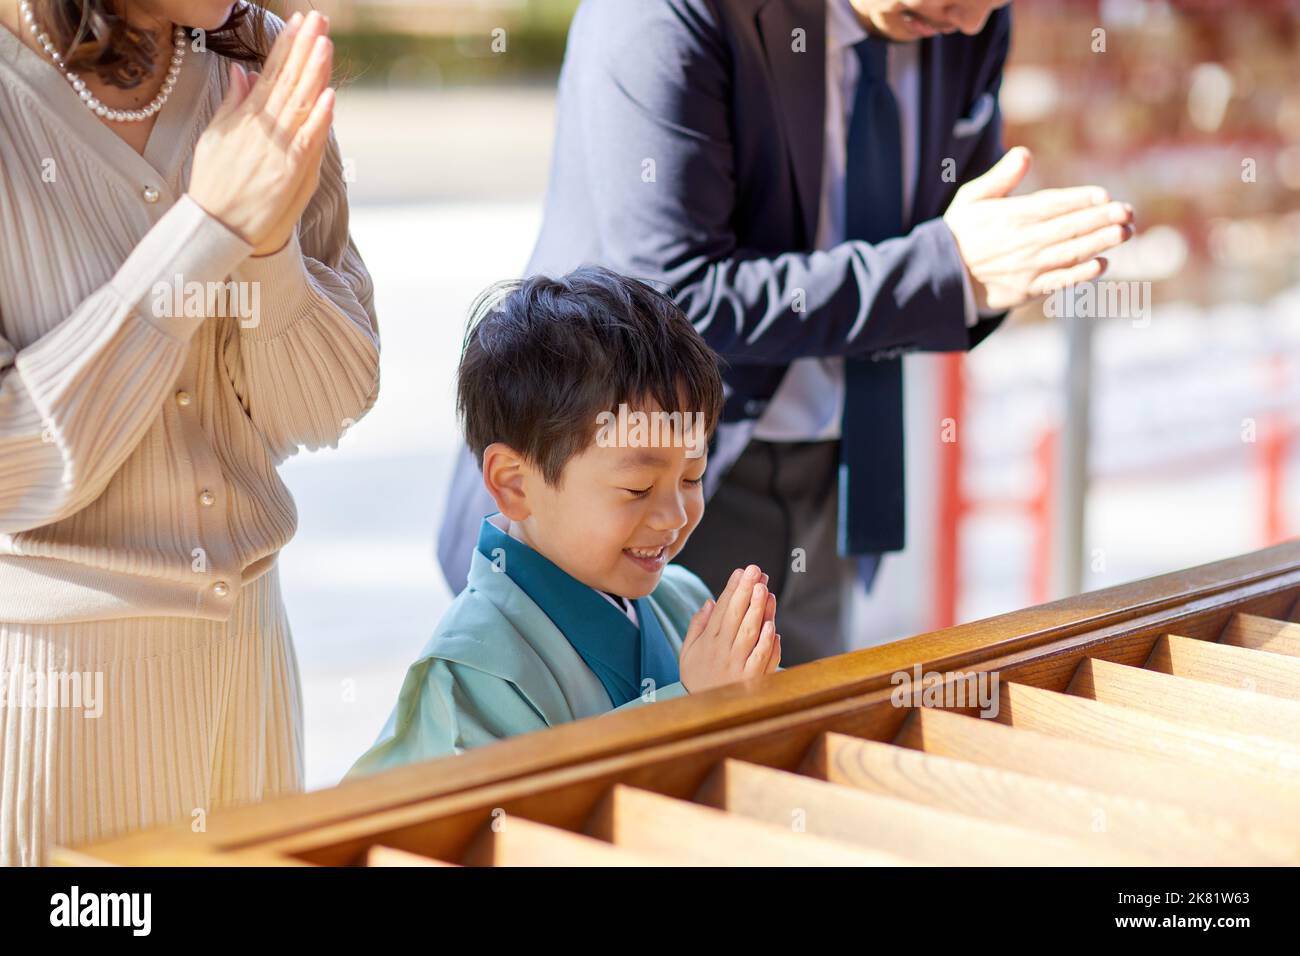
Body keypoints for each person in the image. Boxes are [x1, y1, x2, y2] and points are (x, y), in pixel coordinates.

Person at [436, 0, 1135, 666]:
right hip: (645, 477)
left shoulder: (966, 18)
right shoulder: (667, 12)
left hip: (838, 474)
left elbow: (952, 245)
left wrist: (991, 270)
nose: (974, 19)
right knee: (641, 762)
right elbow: (675, 293)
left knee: (790, 762)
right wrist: (941, 271)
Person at [0, 3, 378, 864]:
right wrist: (203, 235)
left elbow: (331, 403)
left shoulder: (261, 59)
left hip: (250, 674)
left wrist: (269, 243)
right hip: (53, 703)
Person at [348, 268, 778, 777]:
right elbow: (521, 831)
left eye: (692, 476)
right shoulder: (472, 670)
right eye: (638, 488)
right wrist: (691, 705)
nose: (675, 514)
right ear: (514, 483)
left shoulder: (681, 600)